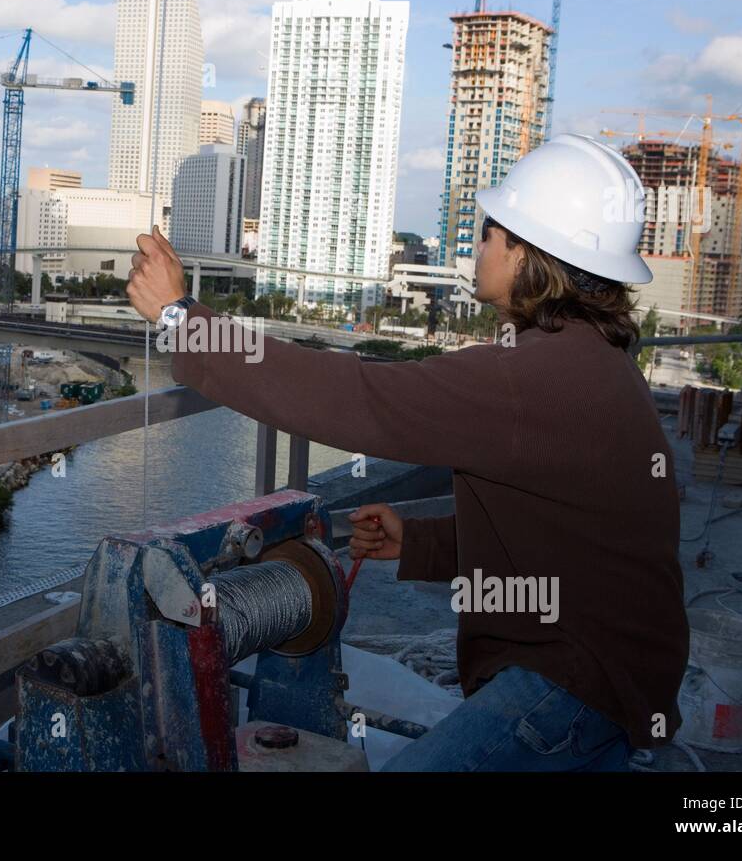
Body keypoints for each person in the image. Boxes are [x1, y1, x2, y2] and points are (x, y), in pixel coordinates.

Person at [126, 133, 689, 771]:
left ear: (530, 253)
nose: (477, 247)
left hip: (570, 688)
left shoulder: (535, 376)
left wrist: (182, 318)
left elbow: (360, 395)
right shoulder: (592, 362)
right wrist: (419, 543)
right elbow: (568, 537)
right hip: (613, 678)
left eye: (487, 231)